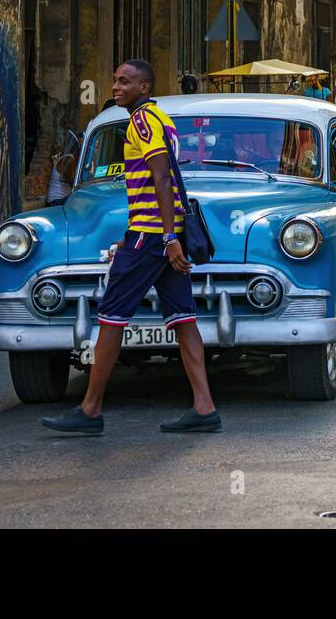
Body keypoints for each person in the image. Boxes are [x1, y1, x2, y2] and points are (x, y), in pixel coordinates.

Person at [42, 59, 221, 435]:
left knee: (111, 318)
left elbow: (160, 177)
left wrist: (168, 238)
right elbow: (149, 185)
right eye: (114, 81)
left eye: (125, 82)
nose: (116, 87)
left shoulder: (141, 121)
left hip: (152, 238)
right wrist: (135, 231)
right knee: (183, 320)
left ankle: (90, 410)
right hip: (148, 234)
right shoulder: (161, 121)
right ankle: (204, 407)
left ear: (145, 88)